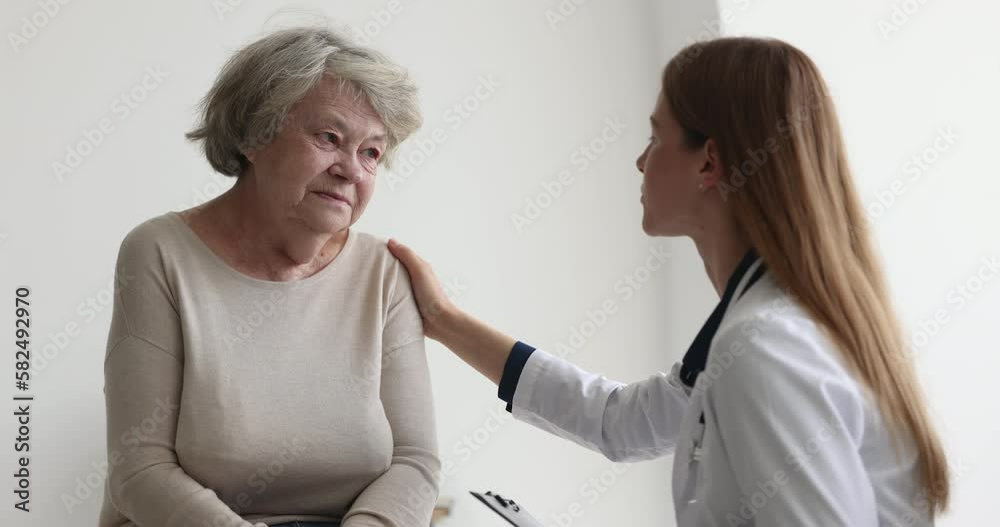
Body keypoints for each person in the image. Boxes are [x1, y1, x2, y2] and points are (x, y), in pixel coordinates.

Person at [388, 36, 950, 526]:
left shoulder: (765, 348)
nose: (639, 161)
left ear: (709, 164)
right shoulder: (759, 324)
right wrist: (442, 320)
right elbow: (622, 423)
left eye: (655, 137)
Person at [99, 26, 439, 527]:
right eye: (330, 138)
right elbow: (139, 469)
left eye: (371, 152)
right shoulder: (160, 252)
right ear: (255, 135)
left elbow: (416, 462)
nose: (351, 169)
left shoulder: (384, 273)